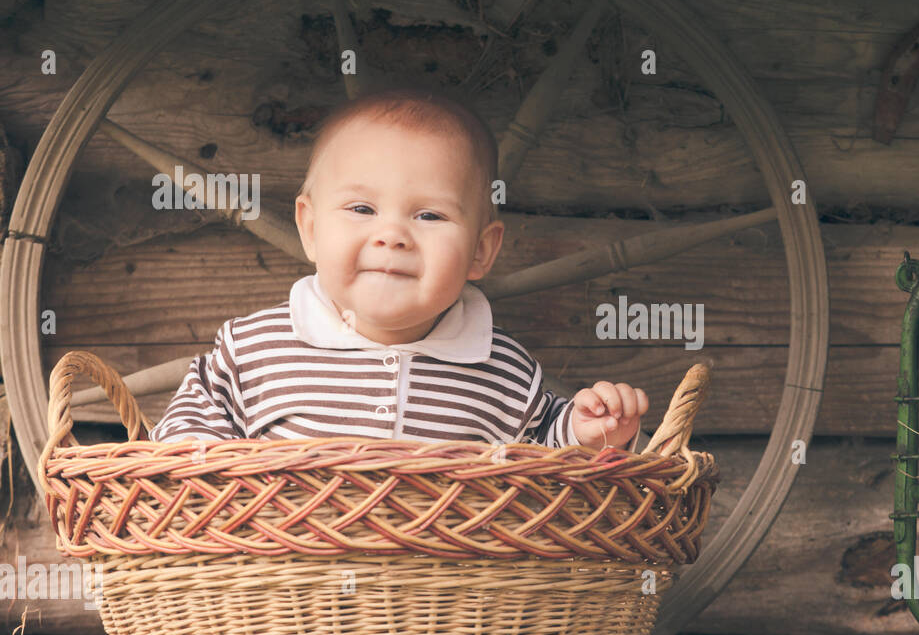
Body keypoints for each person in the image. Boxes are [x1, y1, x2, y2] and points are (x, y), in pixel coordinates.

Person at [149, 87, 648, 450]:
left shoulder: (503, 370)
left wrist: (591, 432)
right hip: (288, 585)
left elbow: (544, 454)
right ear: (310, 228)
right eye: (362, 210)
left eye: (429, 215)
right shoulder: (256, 348)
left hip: (443, 590)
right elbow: (192, 424)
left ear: (481, 251)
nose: (392, 235)